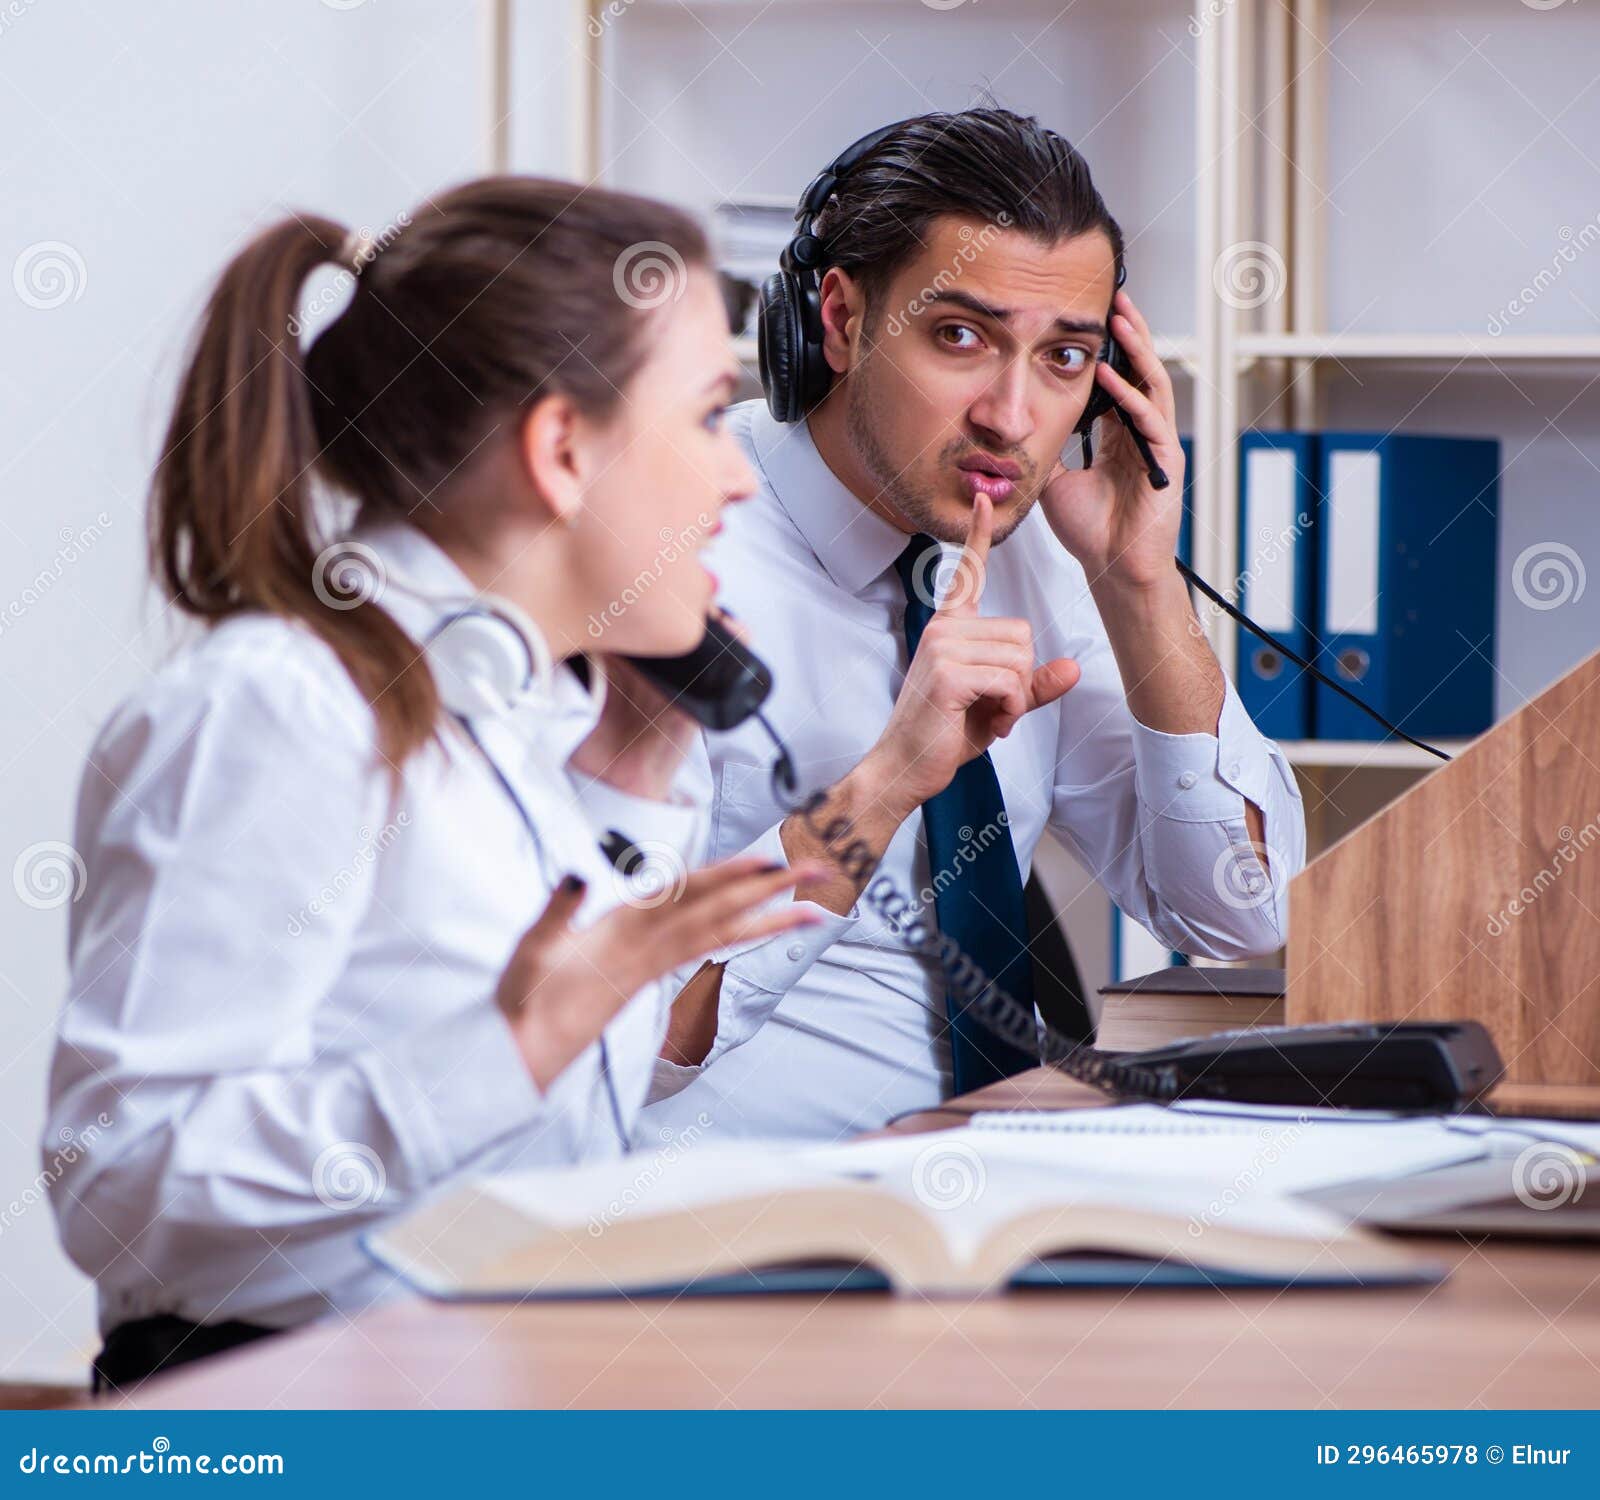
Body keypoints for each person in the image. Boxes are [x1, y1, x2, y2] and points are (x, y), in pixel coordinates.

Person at [43, 177, 826, 1387]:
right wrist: (501, 1048)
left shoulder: (510, 722)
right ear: (562, 449)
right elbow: (115, 1182)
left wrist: (638, 761)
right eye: (712, 413)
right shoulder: (279, 709)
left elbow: (553, 1132)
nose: (737, 478)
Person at [640, 108, 1309, 1141]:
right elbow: (605, 1033)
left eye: (1063, 359)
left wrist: (1138, 582)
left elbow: (1238, 917)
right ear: (840, 320)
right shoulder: (667, 553)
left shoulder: (1038, 553)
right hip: (719, 1218)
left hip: (1003, 1196)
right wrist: (880, 784)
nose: (1011, 415)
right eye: (961, 337)